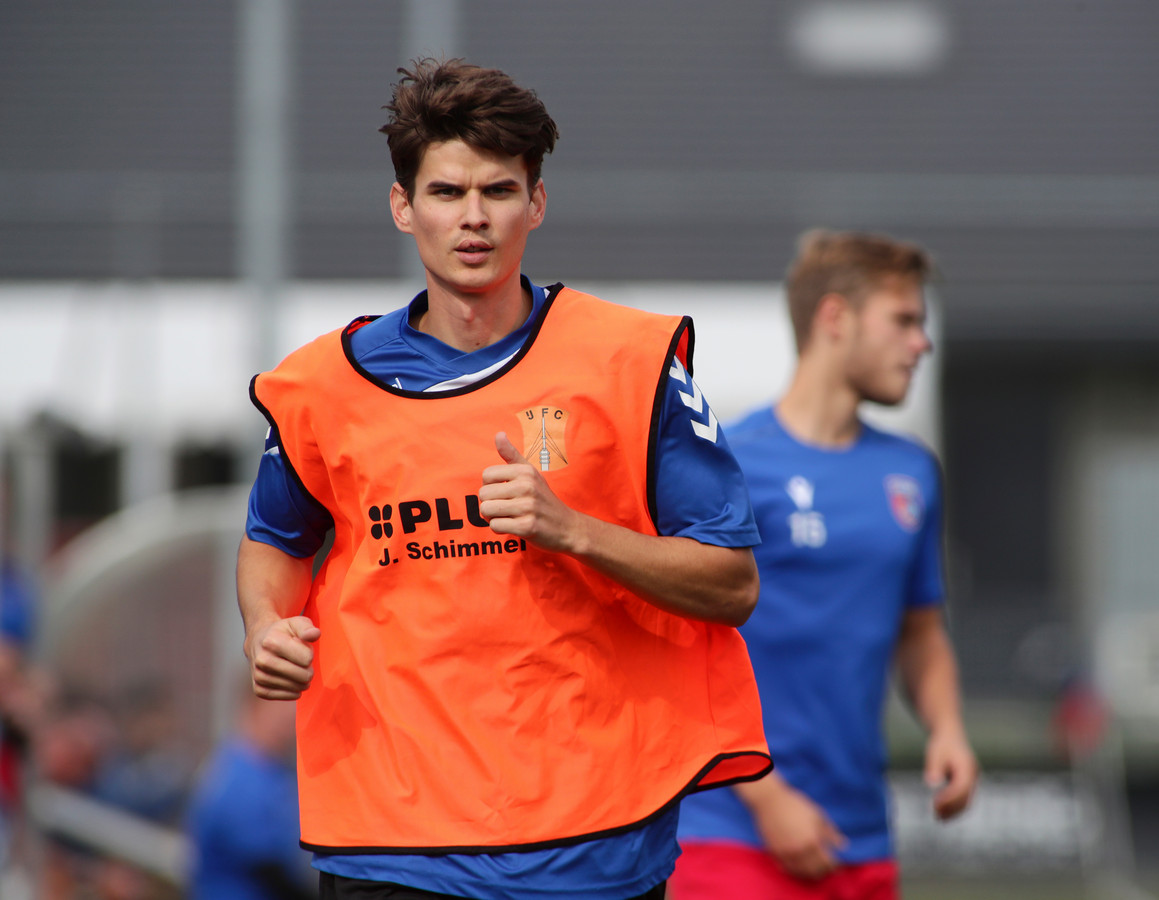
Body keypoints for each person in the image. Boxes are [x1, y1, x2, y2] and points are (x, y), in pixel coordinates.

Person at [236, 58, 771, 900]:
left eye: (499, 191)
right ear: (403, 208)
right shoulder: (319, 386)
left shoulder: (630, 362)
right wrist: (267, 625)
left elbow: (731, 583)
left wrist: (572, 530)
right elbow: (274, 539)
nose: (473, 218)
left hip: (592, 841)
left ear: (537, 203)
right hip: (388, 836)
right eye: (447, 193)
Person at [672, 230, 979, 899]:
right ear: (834, 319)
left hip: (862, 838)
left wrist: (949, 730)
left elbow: (921, 630)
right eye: (903, 321)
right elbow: (677, 652)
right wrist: (764, 797)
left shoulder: (911, 472)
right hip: (730, 835)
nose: (921, 343)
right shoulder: (731, 461)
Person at [186, 681, 315, 900]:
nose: (289, 717)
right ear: (253, 706)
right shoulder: (237, 775)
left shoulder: (274, 771)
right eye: (279, 706)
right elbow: (271, 868)